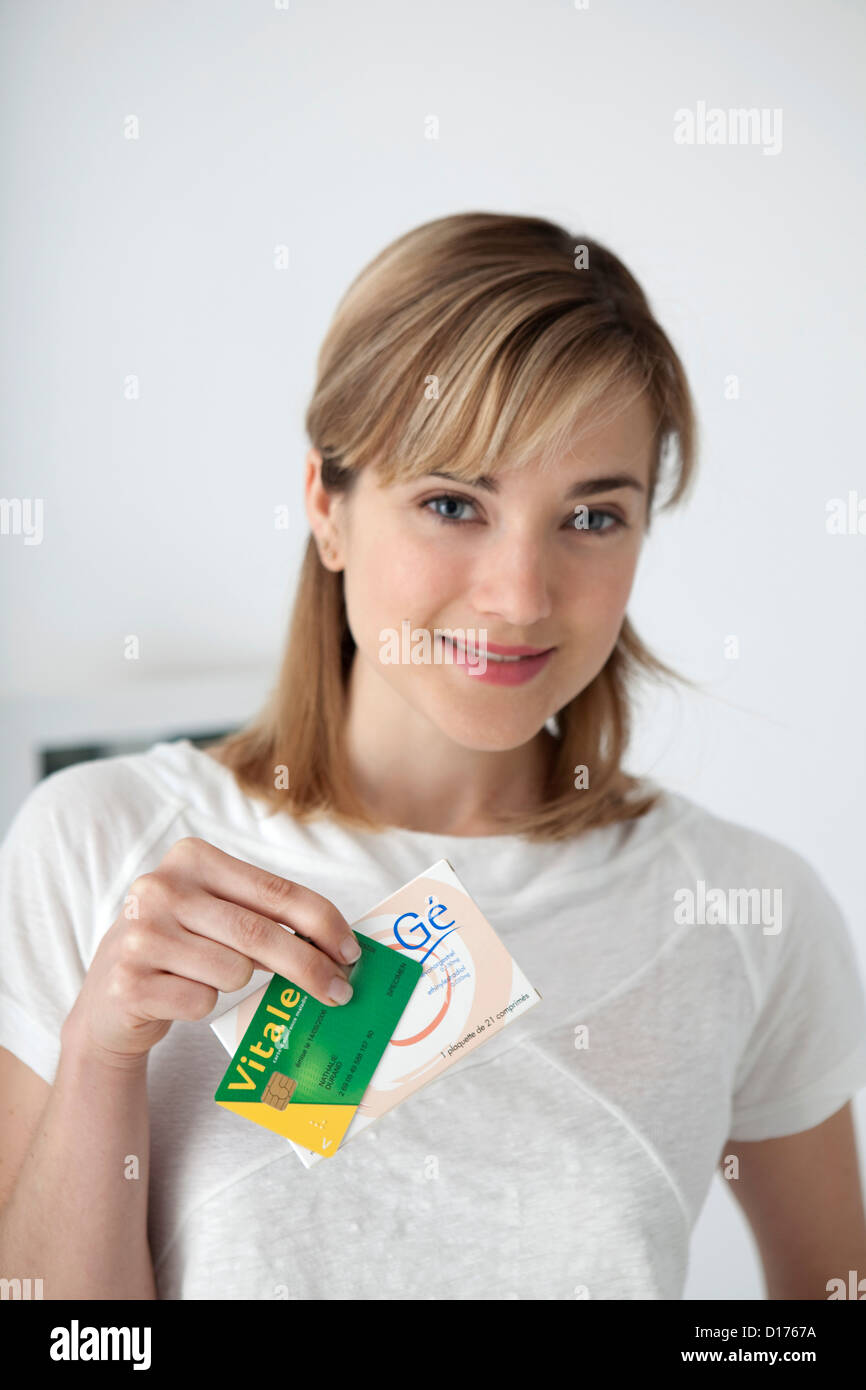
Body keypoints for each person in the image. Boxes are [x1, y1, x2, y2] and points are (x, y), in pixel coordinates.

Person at [1, 211, 865, 1301]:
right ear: (327, 504)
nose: (517, 597)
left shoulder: (746, 911)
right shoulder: (98, 845)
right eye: (452, 503)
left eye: (592, 516)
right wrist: (101, 1053)